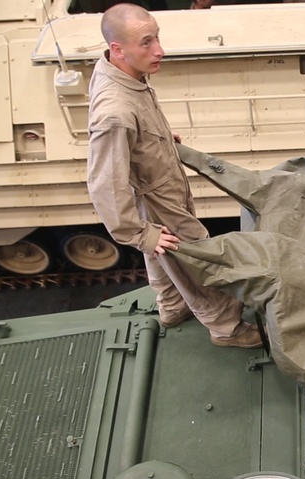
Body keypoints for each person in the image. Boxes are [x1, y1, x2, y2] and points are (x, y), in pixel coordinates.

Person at [87, 3, 260, 348]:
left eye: (157, 39)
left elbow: (137, 125)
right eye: (147, 43)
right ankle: (225, 327)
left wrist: (158, 137)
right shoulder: (115, 112)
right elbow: (105, 183)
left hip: (159, 179)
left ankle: (172, 306)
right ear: (118, 49)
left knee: (160, 252)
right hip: (156, 198)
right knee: (193, 255)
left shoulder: (120, 72)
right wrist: (139, 232)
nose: (159, 50)